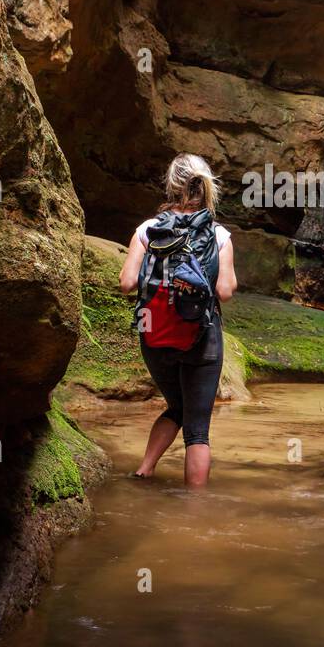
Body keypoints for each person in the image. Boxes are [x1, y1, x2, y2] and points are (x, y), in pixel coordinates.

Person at [119, 154, 237, 487]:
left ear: (170, 186)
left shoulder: (147, 231)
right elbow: (225, 292)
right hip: (201, 335)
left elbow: (127, 283)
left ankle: (144, 469)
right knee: (197, 429)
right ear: (206, 187)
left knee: (176, 405)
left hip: (153, 332)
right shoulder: (218, 235)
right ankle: (194, 511)